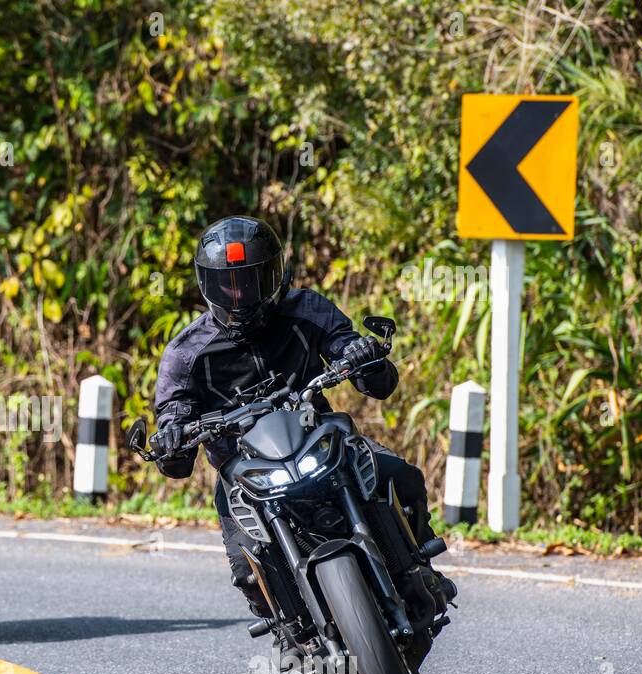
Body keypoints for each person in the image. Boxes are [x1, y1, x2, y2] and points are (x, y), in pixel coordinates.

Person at [152, 216, 446, 626]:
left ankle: (421, 567)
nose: (240, 294)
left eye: (252, 280)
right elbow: (173, 415)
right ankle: (291, 628)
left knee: (401, 476)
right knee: (246, 574)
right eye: (228, 284)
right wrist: (171, 438)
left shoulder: (307, 309)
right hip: (245, 472)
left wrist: (363, 356)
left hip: (319, 438)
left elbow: (366, 368)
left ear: (275, 274)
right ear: (208, 285)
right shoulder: (186, 353)